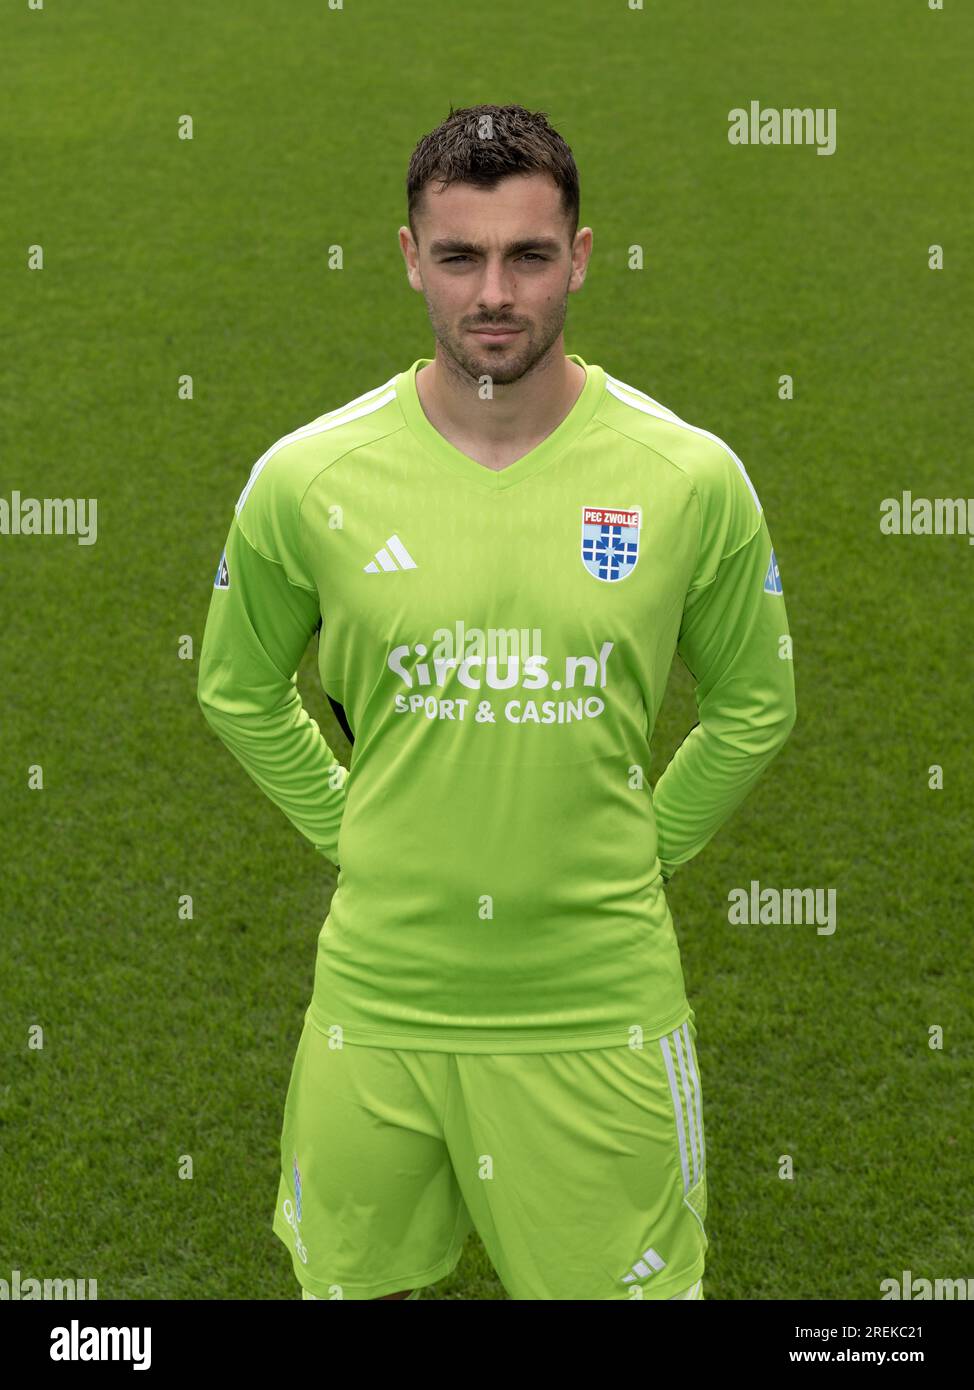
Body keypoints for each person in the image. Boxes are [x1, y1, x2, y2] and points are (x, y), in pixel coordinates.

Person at [197, 103, 797, 1301]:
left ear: (577, 255)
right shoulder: (308, 476)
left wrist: (640, 849)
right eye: (460, 256)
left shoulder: (685, 477)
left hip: (595, 1013)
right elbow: (237, 686)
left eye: (527, 255)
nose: (494, 293)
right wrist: (348, 822)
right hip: (378, 1008)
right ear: (410, 257)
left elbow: (752, 704)